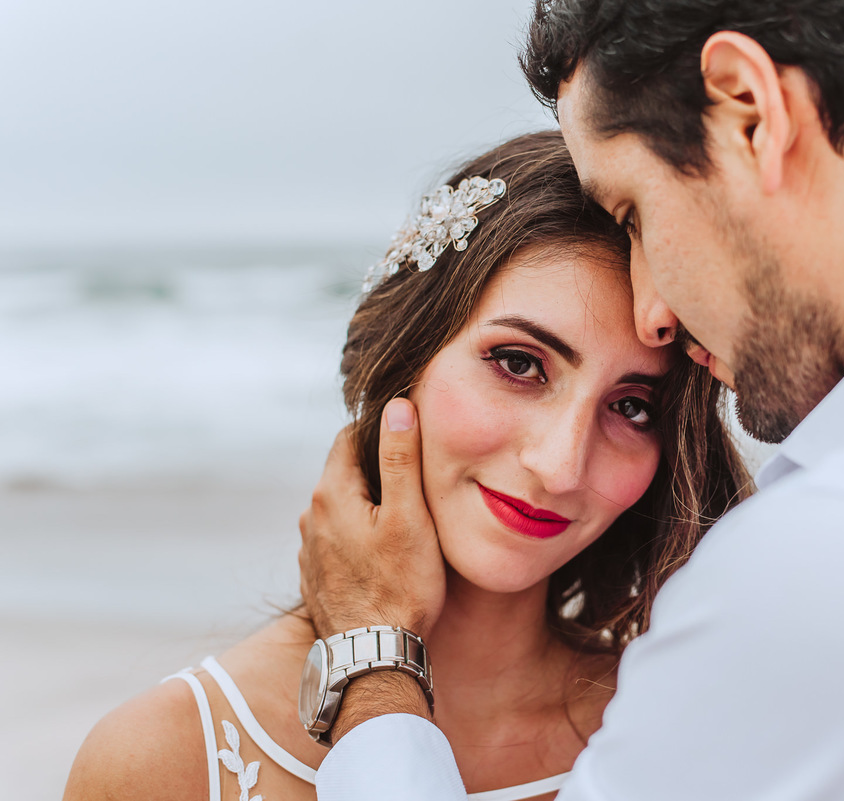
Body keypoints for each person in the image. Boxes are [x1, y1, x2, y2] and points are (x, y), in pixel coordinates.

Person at [297, 1, 844, 800]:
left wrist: (375, 670)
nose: (652, 309)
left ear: (749, 110)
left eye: (630, 215)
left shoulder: (842, 556)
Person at [63, 131, 751, 801]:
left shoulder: (690, 732)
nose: (560, 465)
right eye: (518, 364)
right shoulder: (161, 759)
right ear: (405, 356)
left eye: (632, 407)